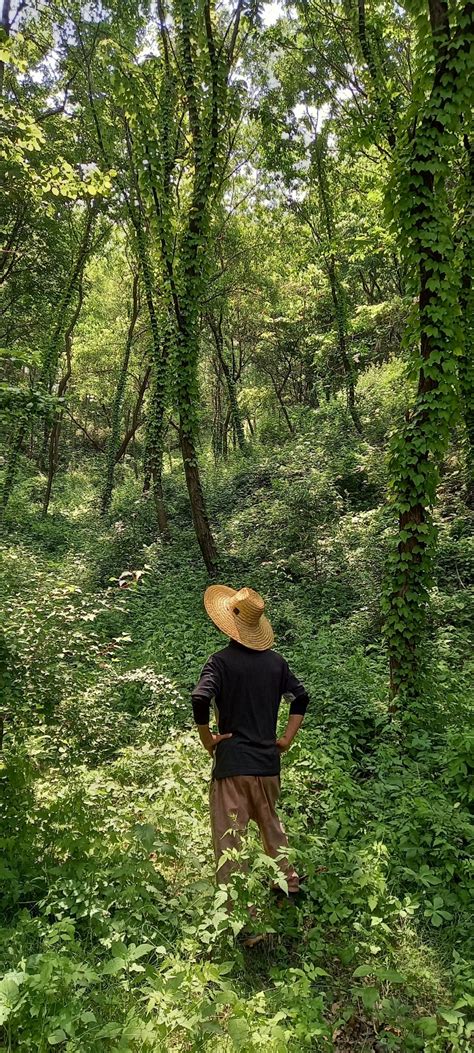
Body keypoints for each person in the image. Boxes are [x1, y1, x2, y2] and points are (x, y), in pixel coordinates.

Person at [192, 584, 309, 918]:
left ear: (229, 622)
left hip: (232, 767)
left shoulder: (220, 663)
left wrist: (207, 738)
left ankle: (241, 915)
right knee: (270, 825)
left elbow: (200, 698)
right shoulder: (276, 664)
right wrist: (286, 738)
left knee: (230, 841)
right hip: (267, 765)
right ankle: (288, 884)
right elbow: (301, 698)